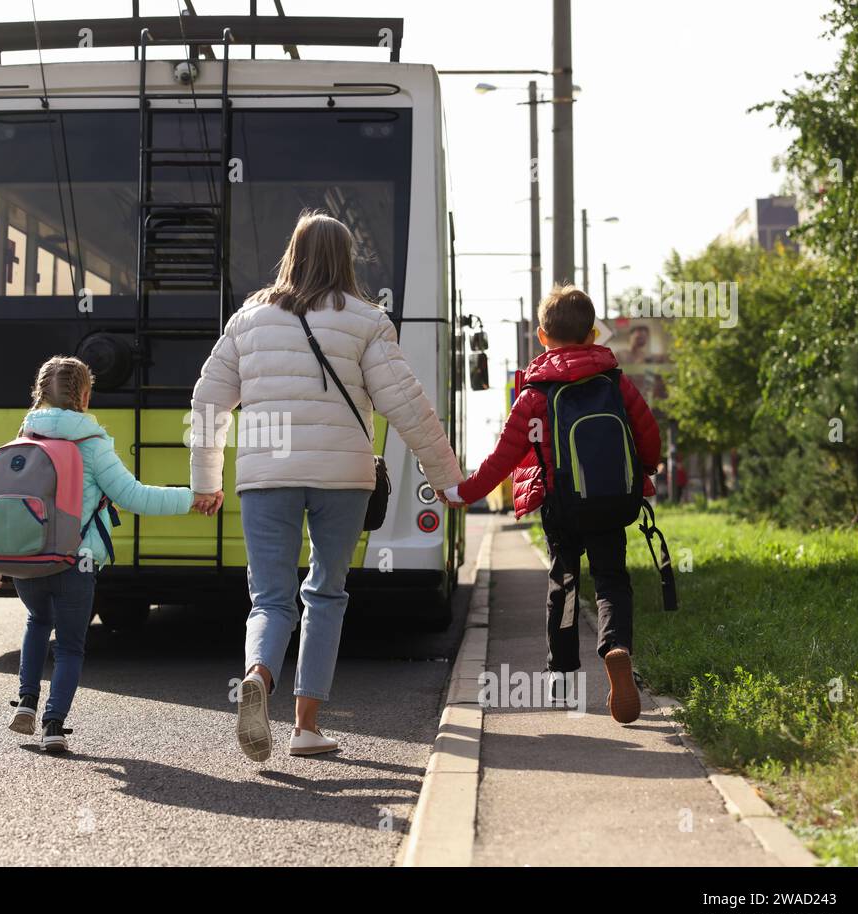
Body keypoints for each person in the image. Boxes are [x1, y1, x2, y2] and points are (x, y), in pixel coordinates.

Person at [189, 211, 463, 762]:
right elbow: (406, 407)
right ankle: (306, 726)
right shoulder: (366, 320)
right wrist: (448, 480)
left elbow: (208, 401)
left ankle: (258, 677)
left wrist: (205, 479)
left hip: (266, 476)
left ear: (293, 253)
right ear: (347, 259)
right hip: (342, 476)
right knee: (325, 593)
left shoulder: (250, 319)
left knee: (269, 598)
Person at [446, 285, 660, 724]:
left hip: (561, 506)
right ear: (593, 334)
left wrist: (464, 493)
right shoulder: (617, 383)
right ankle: (616, 646)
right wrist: (647, 470)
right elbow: (648, 435)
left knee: (563, 583)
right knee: (611, 580)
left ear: (542, 336)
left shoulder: (535, 395)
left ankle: (563, 677)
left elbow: (502, 458)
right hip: (611, 501)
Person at [0, 356, 217, 753]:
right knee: (71, 645)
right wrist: (190, 499)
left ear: (39, 394)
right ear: (86, 396)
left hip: (26, 558)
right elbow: (133, 496)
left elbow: (3, 503)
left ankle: (26, 701)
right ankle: (53, 725)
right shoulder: (92, 445)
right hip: (77, 560)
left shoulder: (23, 439)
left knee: (37, 621)